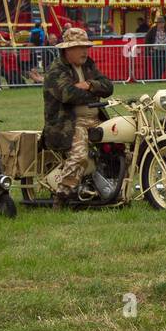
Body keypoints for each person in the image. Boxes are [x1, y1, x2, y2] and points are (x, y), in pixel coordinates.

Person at [42, 28, 114, 206]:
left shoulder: (88, 65)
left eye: (86, 47)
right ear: (67, 49)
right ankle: (63, 195)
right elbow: (68, 94)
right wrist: (93, 92)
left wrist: (88, 85)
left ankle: (111, 188)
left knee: (122, 150)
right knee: (80, 156)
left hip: (96, 121)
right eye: (79, 47)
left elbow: (108, 87)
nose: (85, 51)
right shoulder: (56, 70)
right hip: (69, 124)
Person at [144, 15, 166, 81]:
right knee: (155, 65)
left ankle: (158, 78)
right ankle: (156, 79)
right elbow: (147, 38)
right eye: (160, 23)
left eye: (162, 23)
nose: (161, 24)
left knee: (163, 66)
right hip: (155, 50)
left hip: (164, 50)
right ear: (157, 23)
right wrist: (149, 48)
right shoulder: (153, 29)